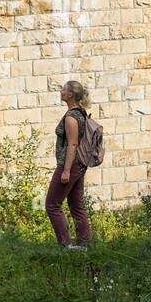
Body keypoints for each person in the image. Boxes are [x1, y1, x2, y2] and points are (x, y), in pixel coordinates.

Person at [45, 79, 93, 249]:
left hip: (70, 165)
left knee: (52, 205)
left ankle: (65, 245)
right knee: (76, 206)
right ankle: (84, 245)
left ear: (70, 94)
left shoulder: (72, 117)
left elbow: (73, 144)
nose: (61, 91)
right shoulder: (81, 112)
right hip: (80, 165)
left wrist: (65, 170)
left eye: (64, 89)